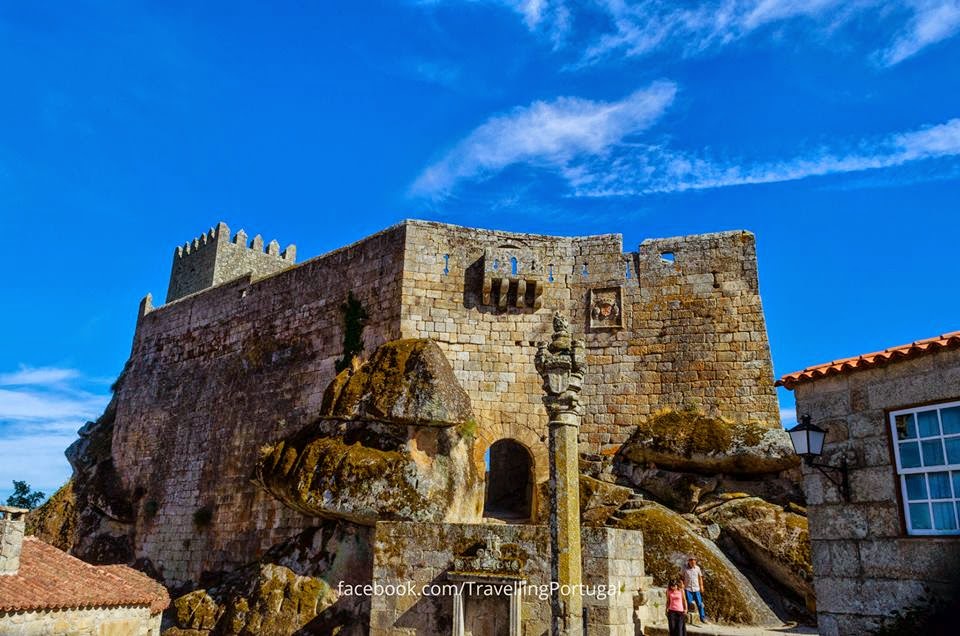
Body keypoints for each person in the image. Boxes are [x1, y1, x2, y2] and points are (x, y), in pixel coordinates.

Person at [680, 556, 707, 623]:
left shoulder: (697, 568)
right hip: (688, 588)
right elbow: (681, 577)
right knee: (689, 602)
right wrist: (682, 584)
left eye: (694, 561)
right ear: (689, 561)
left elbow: (700, 577)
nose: (693, 562)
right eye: (691, 561)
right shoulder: (684, 568)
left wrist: (701, 586)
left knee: (700, 603)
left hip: (696, 588)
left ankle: (702, 617)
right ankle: (686, 617)